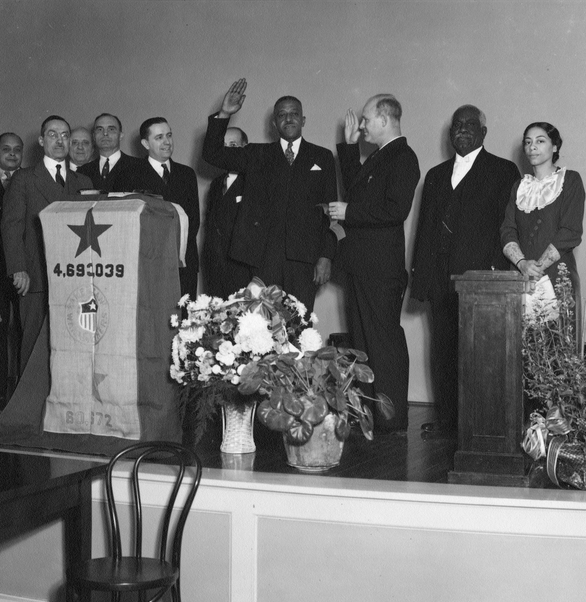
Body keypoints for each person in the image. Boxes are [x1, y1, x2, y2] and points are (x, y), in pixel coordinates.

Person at [411, 105, 520, 437]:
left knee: (478, 354)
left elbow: (508, 227)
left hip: (480, 281)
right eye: (457, 126)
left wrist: (495, 273)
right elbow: (425, 230)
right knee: (442, 350)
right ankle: (448, 421)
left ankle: (477, 425)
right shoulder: (436, 175)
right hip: (440, 278)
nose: (462, 130)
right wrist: (421, 279)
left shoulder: (503, 171)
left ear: (484, 133)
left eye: (470, 125)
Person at [202, 78, 337, 312]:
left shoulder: (322, 157)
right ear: (274, 123)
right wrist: (224, 113)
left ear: (303, 120)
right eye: (282, 115)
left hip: (304, 261)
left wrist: (325, 256)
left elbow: (331, 212)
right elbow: (212, 153)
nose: (289, 119)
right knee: (260, 330)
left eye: (294, 114)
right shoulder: (256, 154)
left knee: (299, 328)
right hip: (262, 260)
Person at [329, 94, 420, 433]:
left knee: (382, 342)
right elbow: (357, 191)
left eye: (366, 120)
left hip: (380, 269)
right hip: (362, 264)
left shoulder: (403, 158)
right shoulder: (382, 156)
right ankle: (369, 416)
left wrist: (349, 212)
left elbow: (395, 211)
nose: (363, 125)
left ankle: (391, 419)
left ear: (384, 120)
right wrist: (350, 148)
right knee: (363, 343)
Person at [1, 115, 92, 374]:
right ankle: (28, 410)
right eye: (53, 134)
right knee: (33, 349)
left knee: (73, 346)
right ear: (41, 141)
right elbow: (11, 226)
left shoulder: (82, 183)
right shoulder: (24, 179)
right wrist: (18, 268)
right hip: (36, 277)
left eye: (65, 135)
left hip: (74, 280)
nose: (60, 140)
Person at [500, 122, 584, 303]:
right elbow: (508, 230)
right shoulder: (519, 186)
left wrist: (535, 270)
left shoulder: (570, 180)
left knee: (557, 331)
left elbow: (570, 232)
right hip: (520, 278)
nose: (532, 147)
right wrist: (522, 264)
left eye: (540, 141)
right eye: (528, 142)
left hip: (557, 277)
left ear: (554, 146)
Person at [130, 117, 200, 300]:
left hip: (184, 262)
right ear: (145, 143)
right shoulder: (130, 175)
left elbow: (194, 219)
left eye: (169, 135)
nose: (167, 142)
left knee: (185, 319)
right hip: (150, 262)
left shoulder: (187, 174)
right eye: (159, 137)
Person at [0, 132, 24, 403]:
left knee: (23, 328)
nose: (12, 154)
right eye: (6, 149)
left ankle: (22, 390)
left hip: (24, 268)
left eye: (17, 150)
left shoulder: (28, 181)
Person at [202, 127, 251, 299]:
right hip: (216, 266)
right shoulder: (216, 184)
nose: (228, 150)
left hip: (243, 268)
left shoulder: (254, 182)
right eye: (224, 145)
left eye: (233, 144)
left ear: (245, 146)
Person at [79, 113, 136, 193]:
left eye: (111, 129)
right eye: (100, 129)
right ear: (94, 136)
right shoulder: (82, 172)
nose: (105, 133)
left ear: (121, 135)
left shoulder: (139, 167)